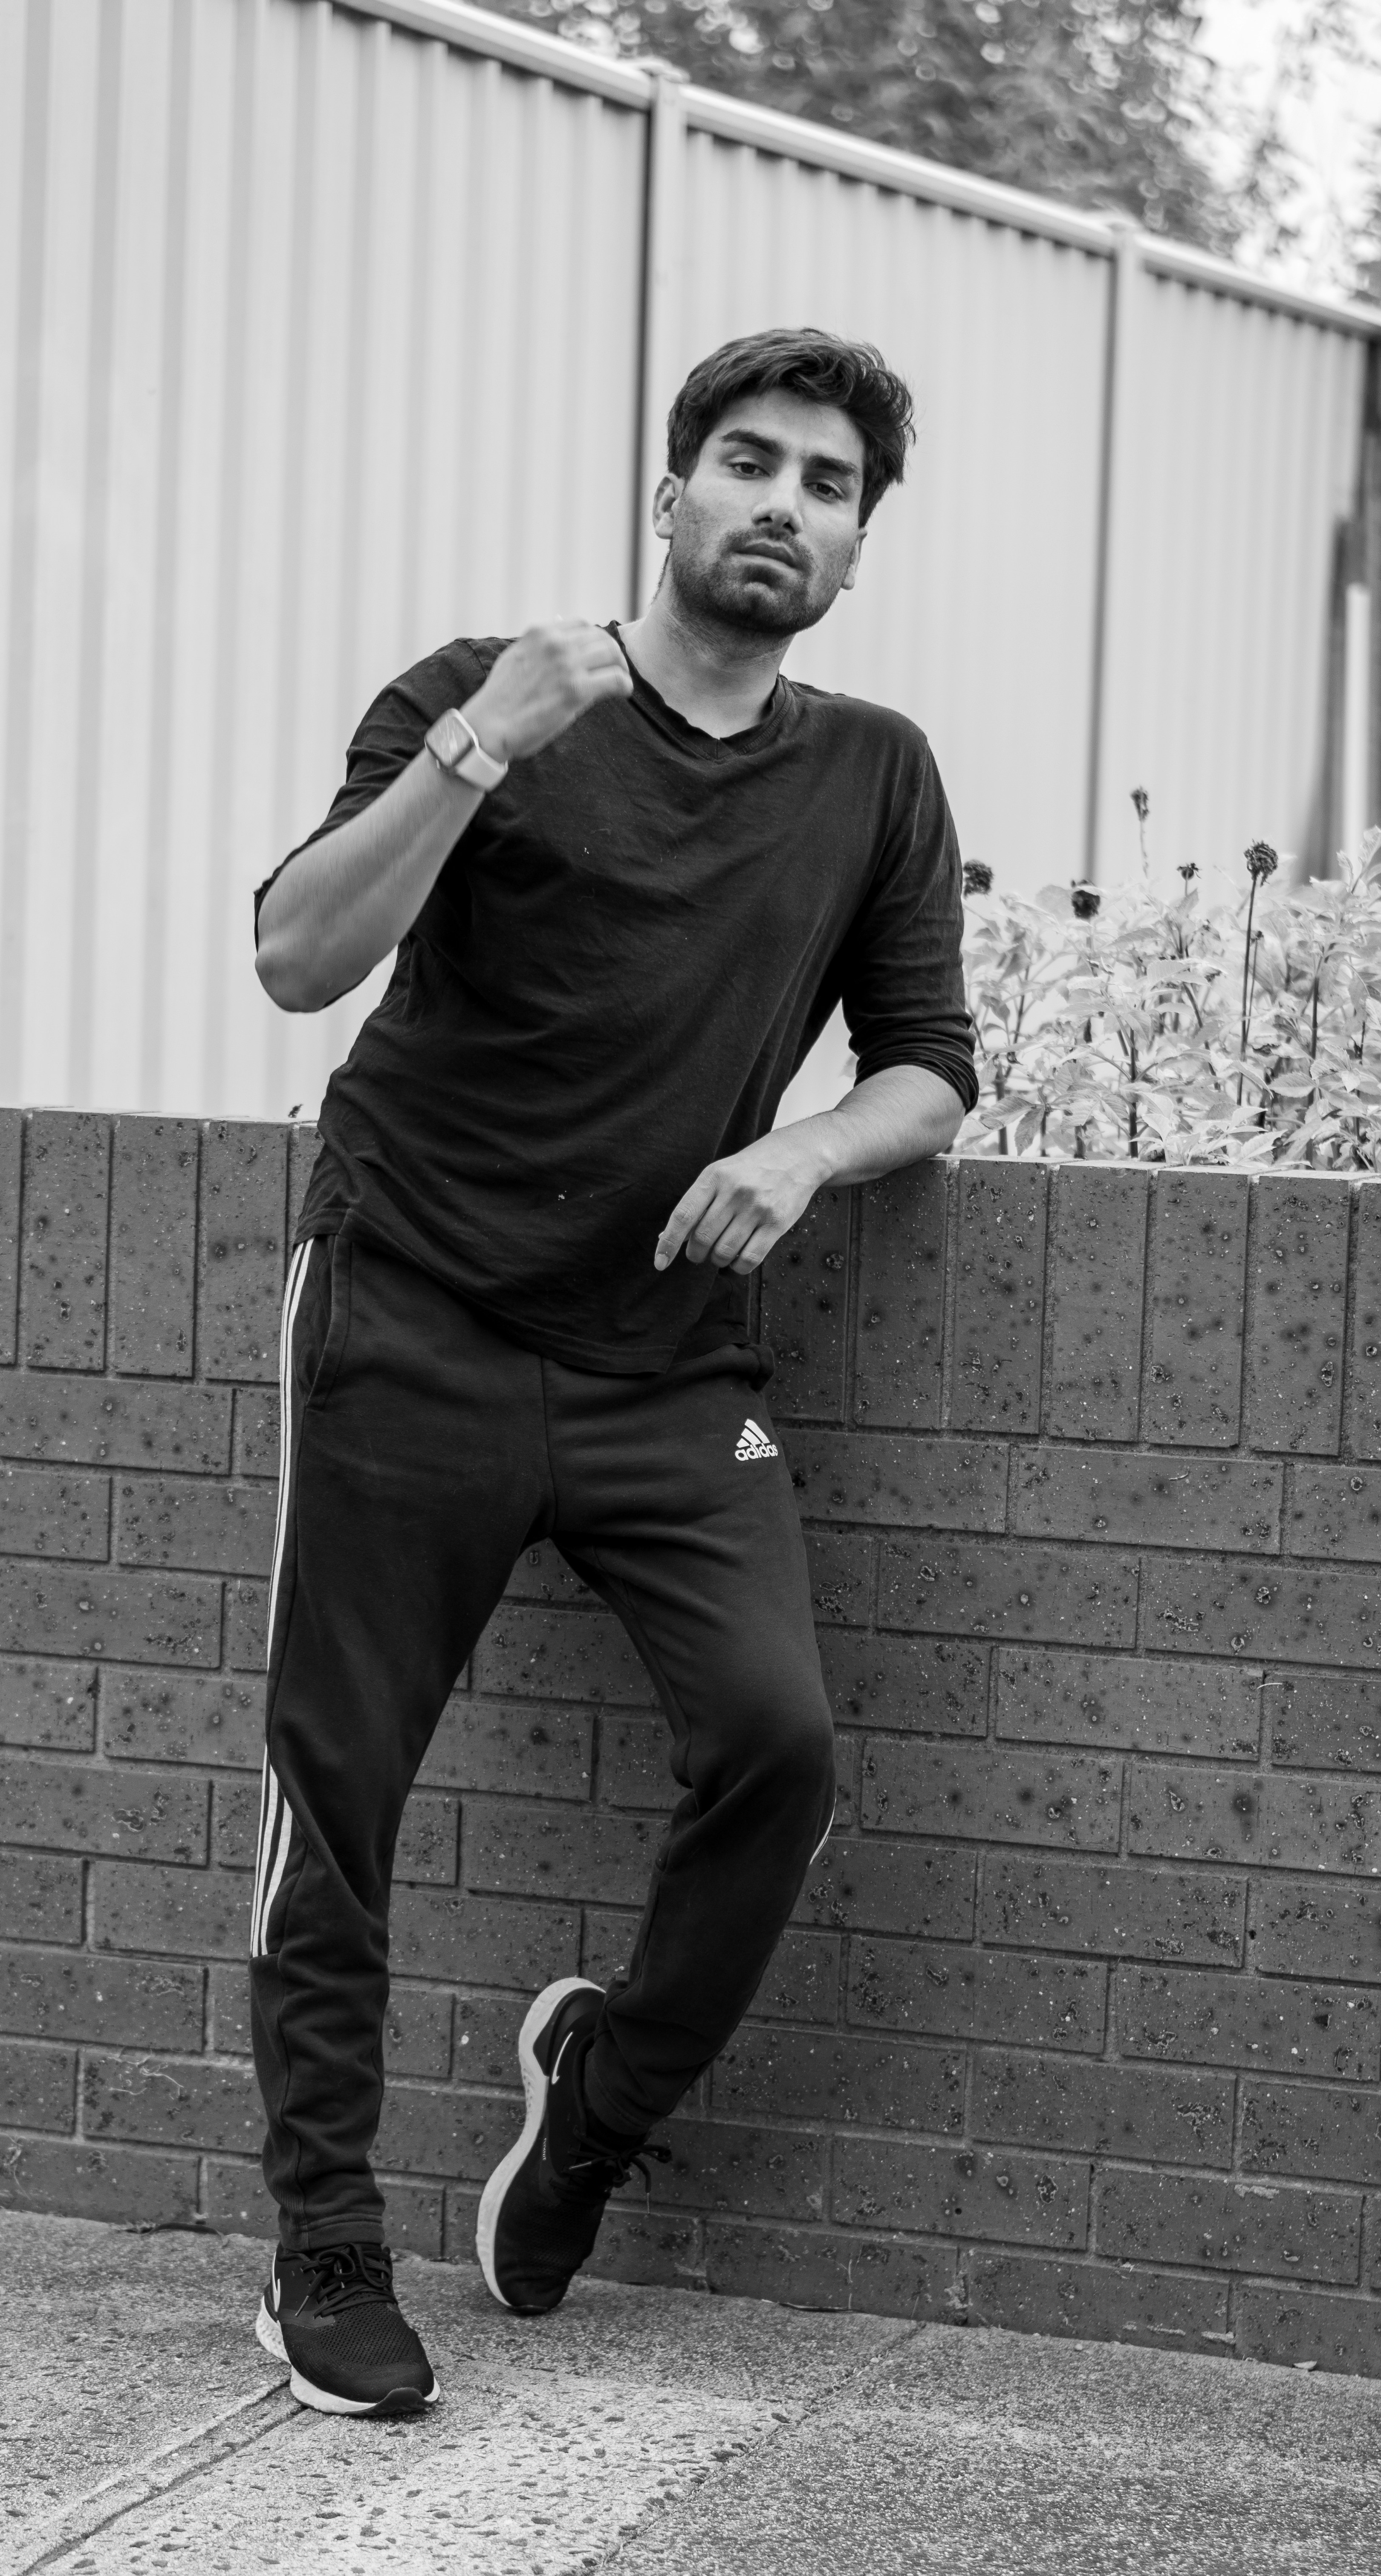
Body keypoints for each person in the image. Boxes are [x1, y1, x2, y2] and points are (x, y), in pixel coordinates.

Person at [247, 328, 976, 2417]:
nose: (781, 503)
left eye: (826, 484)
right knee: (338, 1789)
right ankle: (318, 2248)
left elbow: (929, 1064)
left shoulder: (872, 773)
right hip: (412, 1319)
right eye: (744, 463)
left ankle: (589, 2102)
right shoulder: (490, 689)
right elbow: (299, 955)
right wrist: (476, 747)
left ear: (852, 545)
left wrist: (801, 1147)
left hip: (670, 1368)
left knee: (781, 1745)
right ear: (667, 497)